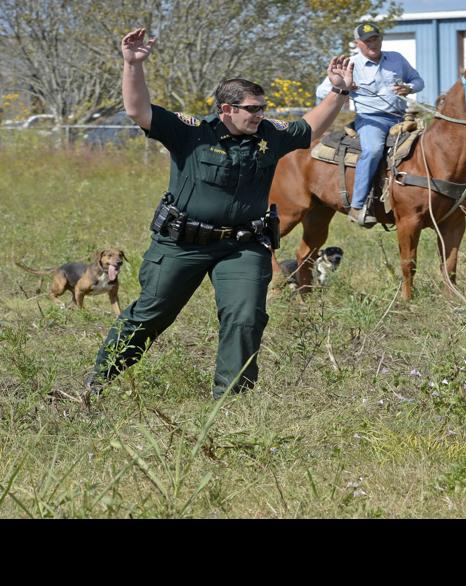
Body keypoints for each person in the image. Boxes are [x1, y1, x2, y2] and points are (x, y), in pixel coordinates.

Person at [82, 28, 354, 402]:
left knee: (245, 318)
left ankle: (230, 402)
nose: (261, 114)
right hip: (182, 243)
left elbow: (308, 129)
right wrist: (132, 64)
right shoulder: (190, 133)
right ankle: (98, 381)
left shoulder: (268, 134)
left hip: (242, 245)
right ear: (226, 109)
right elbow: (137, 110)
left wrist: (339, 91)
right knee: (150, 315)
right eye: (252, 108)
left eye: (263, 108)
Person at [316, 22, 423, 227]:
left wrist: (409, 88)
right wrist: (345, 88)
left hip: (401, 117)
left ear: (381, 39)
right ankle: (358, 206)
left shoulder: (397, 58)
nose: (372, 44)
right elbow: (321, 92)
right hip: (371, 119)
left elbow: (418, 80)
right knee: (373, 150)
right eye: (367, 41)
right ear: (358, 44)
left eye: (375, 38)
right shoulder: (349, 65)